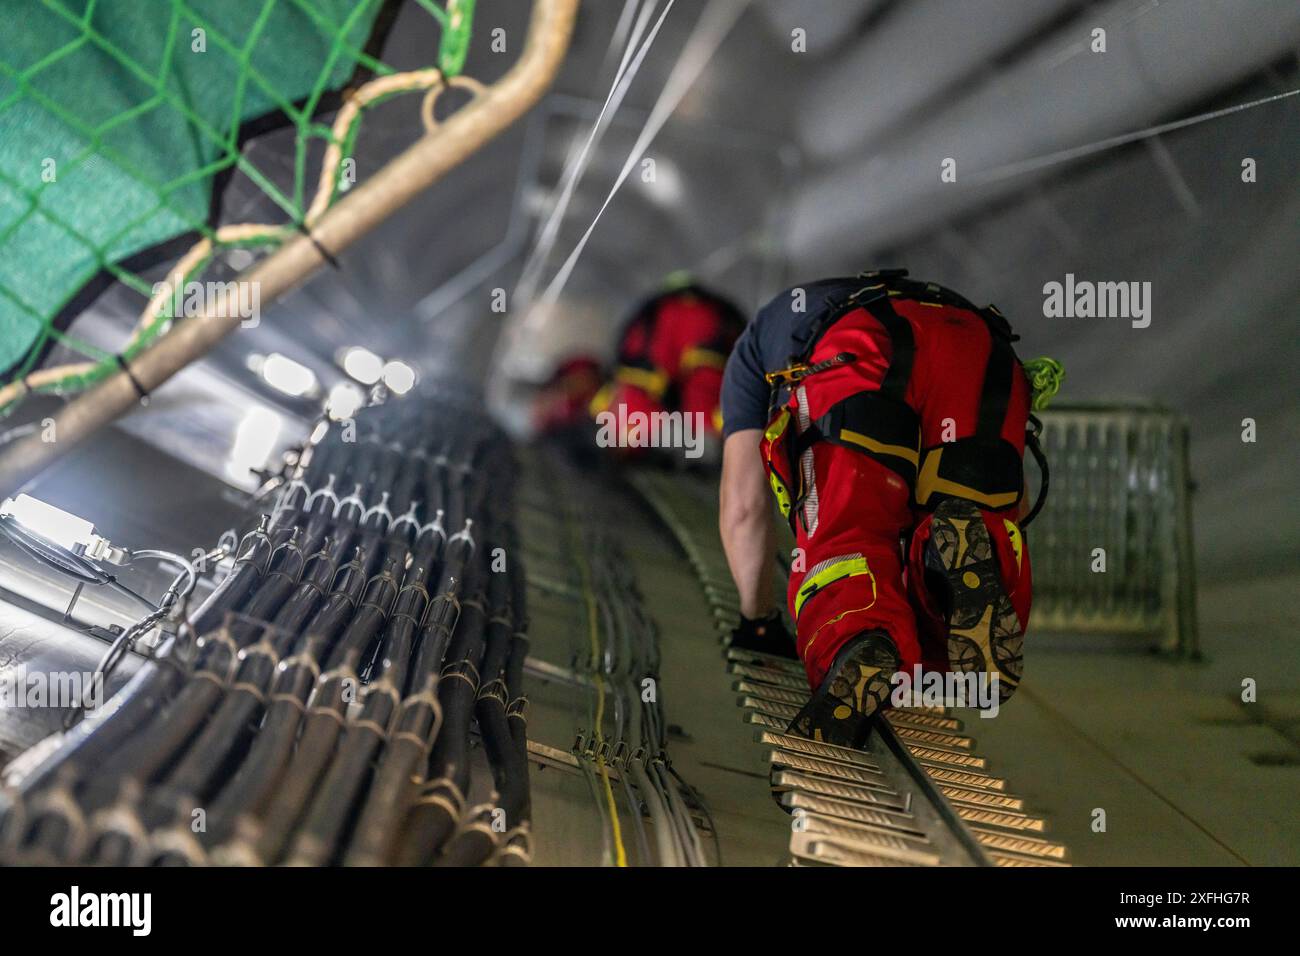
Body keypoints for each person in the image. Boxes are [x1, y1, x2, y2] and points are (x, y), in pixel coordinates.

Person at [719, 269, 1052, 752]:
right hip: (982, 352)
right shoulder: (903, 296)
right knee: (980, 523)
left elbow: (744, 507)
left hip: (858, 350)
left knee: (849, 535)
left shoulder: (752, 350)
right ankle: (948, 556)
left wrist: (758, 620)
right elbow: (1014, 502)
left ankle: (862, 637)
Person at [590, 276, 746, 465]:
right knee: (707, 386)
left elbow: (636, 382)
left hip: (656, 417)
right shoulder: (713, 314)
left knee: (641, 395)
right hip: (707, 414)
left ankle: (694, 444)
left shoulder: (655, 317)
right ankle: (703, 445)